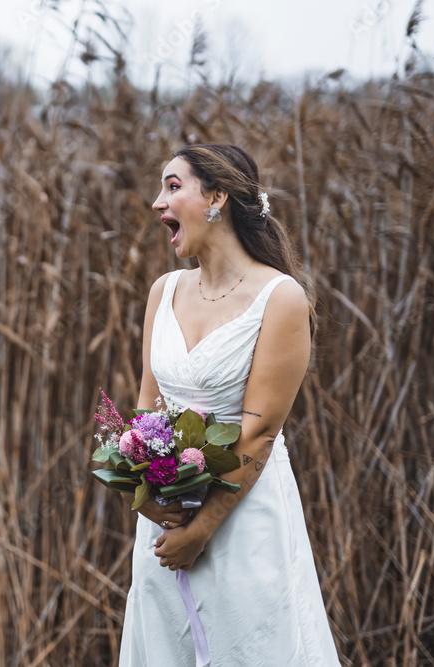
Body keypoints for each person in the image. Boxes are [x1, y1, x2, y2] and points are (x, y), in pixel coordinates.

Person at [118, 144, 340, 665]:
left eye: (173, 187)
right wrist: (143, 495)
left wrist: (200, 531)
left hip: (242, 514)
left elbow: (260, 434)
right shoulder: (164, 291)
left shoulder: (280, 298)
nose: (157, 202)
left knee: (249, 641)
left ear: (217, 197)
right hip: (165, 517)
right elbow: (147, 406)